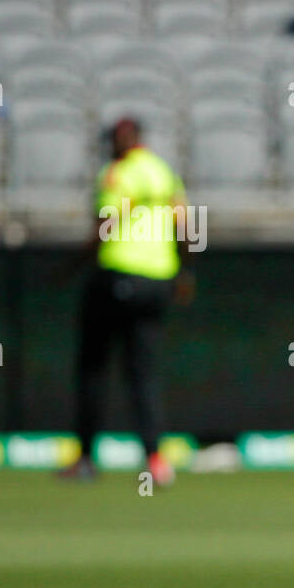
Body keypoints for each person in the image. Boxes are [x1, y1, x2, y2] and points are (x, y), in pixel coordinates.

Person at [55, 118, 192, 486]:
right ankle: (156, 461)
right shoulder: (163, 172)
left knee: (94, 368)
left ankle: (85, 459)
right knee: (143, 373)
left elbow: (106, 226)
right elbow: (187, 226)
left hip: (118, 277)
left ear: (121, 141)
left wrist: (70, 268)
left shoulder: (117, 175)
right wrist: (184, 272)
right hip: (157, 281)